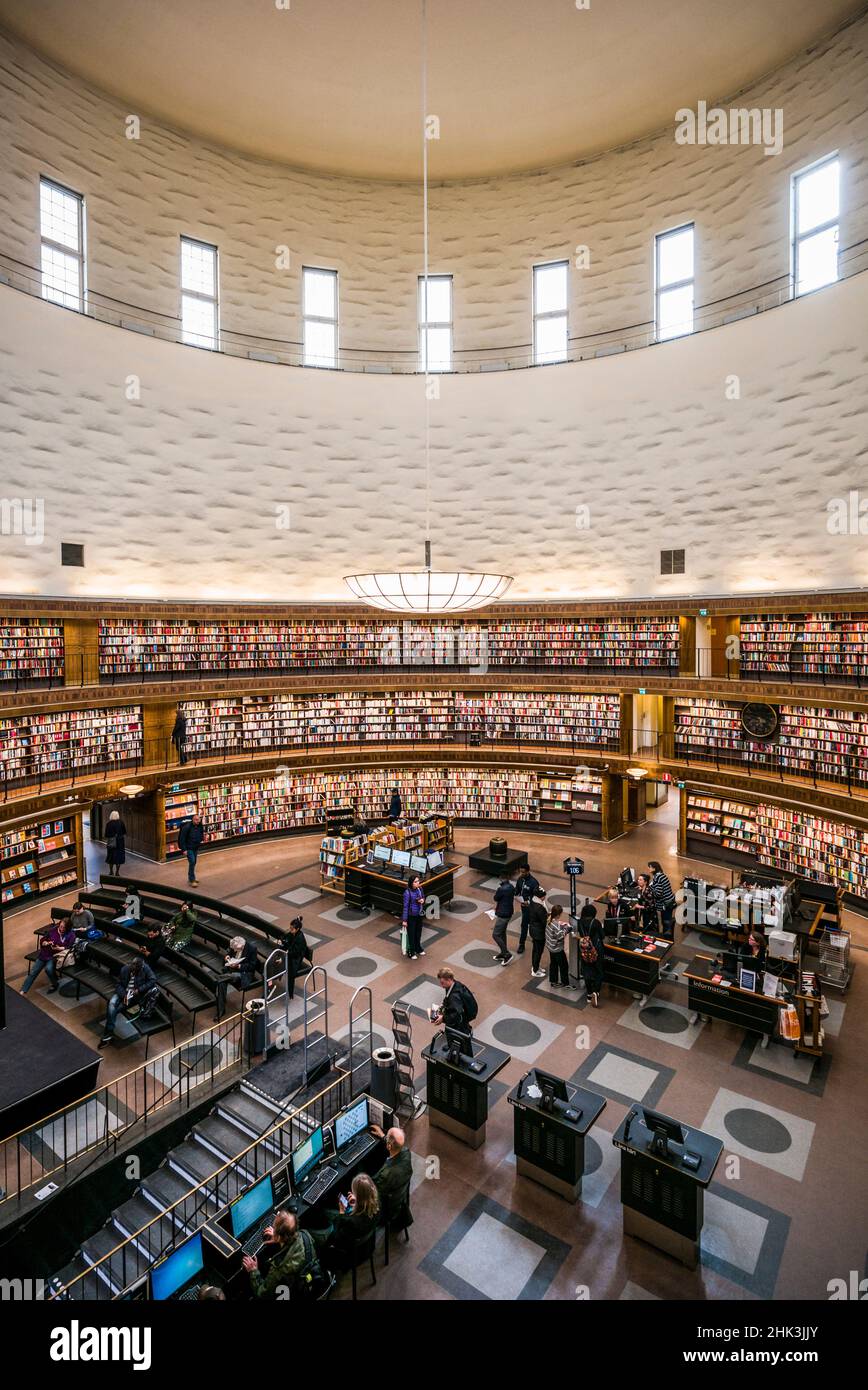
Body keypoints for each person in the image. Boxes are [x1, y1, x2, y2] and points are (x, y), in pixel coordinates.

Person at [314, 1173, 380, 1268]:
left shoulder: (351, 1222)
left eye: (354, 1192)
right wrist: (356, 1204)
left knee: (316, 1227)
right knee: (327, 1212)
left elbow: (335, 1238)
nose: (352, 1193)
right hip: (368, 1246)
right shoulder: (377, 1205)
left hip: (350, 1256)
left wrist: (342, 1212)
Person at [243, 1209, 310, 1299]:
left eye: (274, 1227)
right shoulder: (305, 1235)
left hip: (289, 1293)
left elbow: (262, 1293)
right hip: (305, 1281)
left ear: (279, 1235)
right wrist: (279, 1239)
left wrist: (253, 1271)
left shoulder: (279, 1268)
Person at [99, 956, 158, 1046]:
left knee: (115, 1010)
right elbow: (118, 985)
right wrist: (124, 995)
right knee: (111, 1004)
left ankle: (107, 1035)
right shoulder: (125, 969)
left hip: (134, 996)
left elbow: (153, 980)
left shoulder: (145, 968)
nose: (133, 973)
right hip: (123, 992)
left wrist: (139, 990)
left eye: (136, 971)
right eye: (132, 970)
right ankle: (108, 1034)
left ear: (140, 968)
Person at [369, 1126, 412, 1231]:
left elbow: (373, 1195)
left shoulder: (386, 1174)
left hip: (384, 1211)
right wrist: (383, 1136)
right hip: (399, 1201)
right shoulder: (407, 1153)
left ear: (389, 1146)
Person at [21, 916, 75, 995]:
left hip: (54, 956)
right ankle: (23, 990)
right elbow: (43, 939)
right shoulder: (53, 930)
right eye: (61, 926)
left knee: (48, 969)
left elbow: (69, 946)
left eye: (64, 927)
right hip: (45, 953)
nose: (62, 929)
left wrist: (61, 948)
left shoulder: (71, 935)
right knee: (33, 972)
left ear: (68, 928)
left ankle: (55, 983)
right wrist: (45, 943)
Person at [215, 935, 259, 1016]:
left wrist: (239, 966)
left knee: (233, 976)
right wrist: (226, 957)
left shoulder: (252, 949)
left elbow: (252, 966)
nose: (234, 950)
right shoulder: (236, 943)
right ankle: (220, 1010)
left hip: (244, 973)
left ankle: (219, 977)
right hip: (231, 971)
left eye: (236, 949)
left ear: (242, 946)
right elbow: (229, 952)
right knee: (222, 983)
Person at [648, 860, 678, 975]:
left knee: (666, 921)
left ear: (654, 868)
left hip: (666, 904)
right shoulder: (661, 875)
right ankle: (669, 937)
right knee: (667, 920)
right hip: (669, 901)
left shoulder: (657, 878)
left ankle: (667, 940)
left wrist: (650, 888)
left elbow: (659, 893)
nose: (648, 869)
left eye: (649, 867)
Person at [434, 967, 478, 1037]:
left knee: (456, 1027)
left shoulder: (454, 997)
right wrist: (444, 1004)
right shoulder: (455, 984)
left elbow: (457, 1015)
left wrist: (443, 1018)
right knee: (462, 1023)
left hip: (464, 1014)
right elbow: (448, 997)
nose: (441, 985)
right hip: (467, 1010)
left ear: (448, 980)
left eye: (442, 983)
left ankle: (463, 1036)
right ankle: (467, 1030)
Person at [577, 903, 604, 1007]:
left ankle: (588, 994)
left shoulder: (580, 922)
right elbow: (602, 936)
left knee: (587, 970)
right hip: (596, 950)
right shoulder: (596, 922)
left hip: (585, 950)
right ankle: (595, 991)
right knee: (599, 971)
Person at [515, 864, 541, 954]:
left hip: (532, 908)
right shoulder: (520, 880)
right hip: (524, 908)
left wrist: (529, 902)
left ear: (528, 871)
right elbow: (517, 891)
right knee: (524, 925)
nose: (521, 873)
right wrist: (516, 896)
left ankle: (536, 941)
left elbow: (537, 896)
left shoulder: (534, 882)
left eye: (523, 872)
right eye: (520, 871)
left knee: (533, 925)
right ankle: (522, 944)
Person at [285, 915, 313, 999]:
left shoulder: (300, 938)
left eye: (292, 929)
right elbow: (286, 938)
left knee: (290, 972)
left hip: (296, 960)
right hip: (292, 955)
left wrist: (287, 952)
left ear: (297, 929)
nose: (290, 930)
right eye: (290, 928)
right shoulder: (293, 934)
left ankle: (290, 994)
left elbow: (296, 953)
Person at [491, 873, 516, 965]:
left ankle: (506, 954)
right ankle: (502, 953)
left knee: (495, 935)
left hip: (502, 914)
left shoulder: (501, 889)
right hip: (509, 912)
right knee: (502, 933)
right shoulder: (511, 887)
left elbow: (496, 898)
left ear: (500, 878)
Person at [545, 903, 571, 987]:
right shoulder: (555, 925)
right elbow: (560, 936)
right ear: (559, 914)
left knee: (553, 964)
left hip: (550, 946)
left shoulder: (549, 918)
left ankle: (553, 981)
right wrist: (567, 929)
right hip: (557, 949)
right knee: (564, 965)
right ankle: (565, 983)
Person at [402, 874, 426, 960]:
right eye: (415, 882)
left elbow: (423, 897)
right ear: (411, 883)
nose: (417, 883)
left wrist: (422, 900)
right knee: (411, 934)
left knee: (418, 933)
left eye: (418, 881)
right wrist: (404, 920)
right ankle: (411, 952)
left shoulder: (420, 889)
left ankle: (418, 948)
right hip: (411, 916)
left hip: (419, 914)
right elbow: (405, 907)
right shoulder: (407, 893)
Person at [527, 886, 548, 978]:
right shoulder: (539, 907)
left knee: (536, 950)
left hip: (533, 929)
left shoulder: (533, 901)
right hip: (539, 932)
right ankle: (535, 970)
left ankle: (536, 966)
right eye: (544, 896)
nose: (545, 897)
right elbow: (544, 921)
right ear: (540, 897)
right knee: (538, 951)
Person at [178, 814, 204, 886]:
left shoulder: (199, 825)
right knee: (192, 862)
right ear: (193, 819)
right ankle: (192, 880)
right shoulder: (187, 827)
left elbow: (201, 832)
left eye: (199, 820)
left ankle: (191, 878)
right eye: (196, 820)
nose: (198, 821)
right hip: (188, 847)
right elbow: (182, 839)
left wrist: (201, 839)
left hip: (195, 847)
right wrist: (184, 850)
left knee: (194, 862)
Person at [104, 809, 127, 877]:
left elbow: (106, 835)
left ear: (111, 816)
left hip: (112, 843)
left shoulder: (108, 824)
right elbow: (124, 832)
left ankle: (111, 872)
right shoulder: (121, 822)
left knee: (111, 857)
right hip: (120, 842)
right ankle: (117, 872)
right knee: (118, 858)